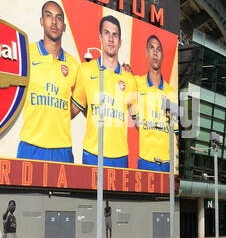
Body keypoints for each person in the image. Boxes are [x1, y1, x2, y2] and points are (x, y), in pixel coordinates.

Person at [16, 0, 86, 163]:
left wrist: (59, 114)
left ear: (64, 27)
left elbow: (78, 102)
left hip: (62, 148)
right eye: (49, 16)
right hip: (30, 145)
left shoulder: (73, 65)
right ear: (42, 21)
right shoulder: (26, 53)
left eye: (59, 18)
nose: (54, 22)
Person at [74, 15, 136, 168]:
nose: (110, 39)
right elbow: (75, 108)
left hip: (120, 156)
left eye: (115, 35)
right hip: (92, 153)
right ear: (100, 37)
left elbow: (139, 120)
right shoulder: (85, 70)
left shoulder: (129, 79)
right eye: (106, 33)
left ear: (120, 42)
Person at [135, 34, 177, 172]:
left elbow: (176, 131)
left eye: (158, 49)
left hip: (167, 163)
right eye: (151, 48)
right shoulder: (136, 83)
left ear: (163, 56)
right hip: (145, 161)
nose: (155, 52)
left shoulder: (171, 93)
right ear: (146, 52)